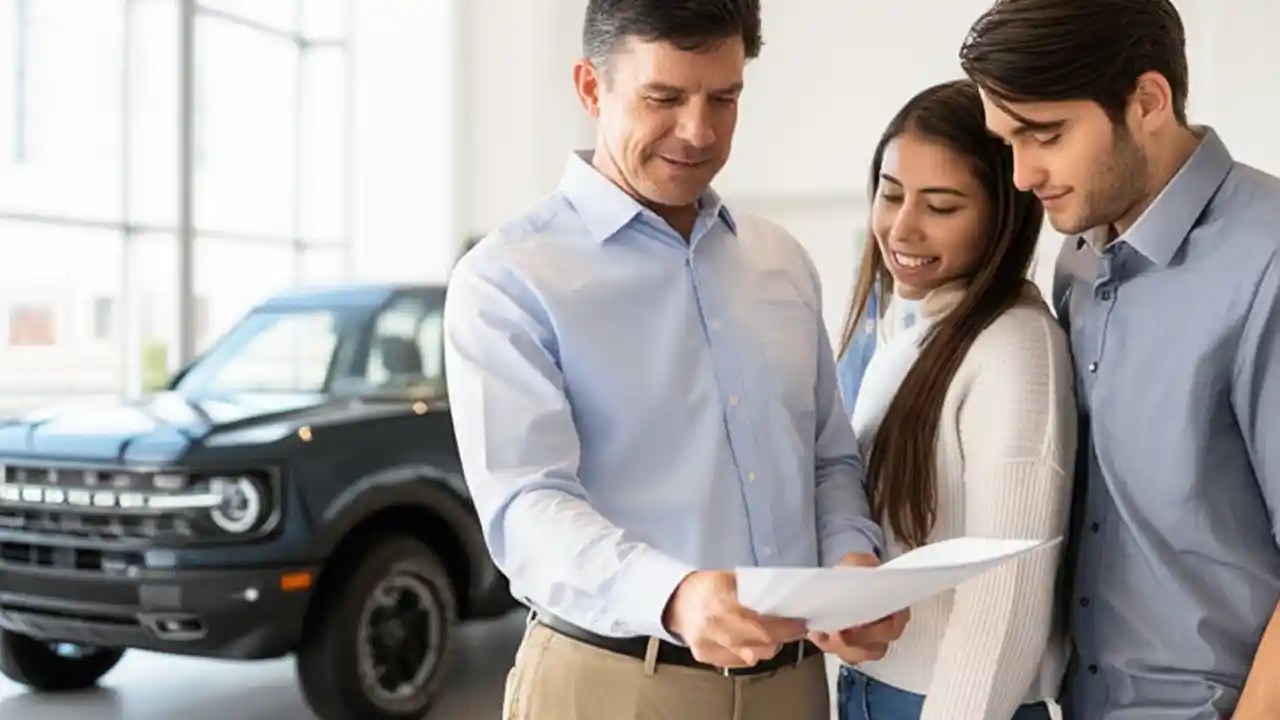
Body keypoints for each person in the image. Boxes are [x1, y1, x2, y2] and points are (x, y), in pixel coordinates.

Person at [442, 2, 906, 718]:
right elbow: (526, 506)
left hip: (794, 687)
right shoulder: (508, 278)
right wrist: (675, 594)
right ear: (591, 89)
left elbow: (827, 461)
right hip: (612, 684)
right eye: (663, 98)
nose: (699, 131)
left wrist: (851, 564)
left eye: (724, 99)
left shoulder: (781, 263)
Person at [959, 1, 1280, 717]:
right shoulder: (1078, 256)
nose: (1021, 174)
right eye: (1007, 140)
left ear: (1148, 100)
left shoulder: (1270, 265)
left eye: (1045, 134)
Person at [828, 79, 1076, 720]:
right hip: (871, 691)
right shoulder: (909, 330)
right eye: (890, 194)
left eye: (941, 207)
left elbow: (1006, 602)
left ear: (1002, 215)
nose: (902, 227)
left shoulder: (1015, 347)